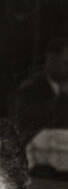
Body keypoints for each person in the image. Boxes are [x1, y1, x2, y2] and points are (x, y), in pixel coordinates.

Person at [9, 36, 68, 175]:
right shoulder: (30, 88)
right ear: (51, 59)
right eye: (66, 63)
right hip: (37, 164)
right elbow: (28, 120)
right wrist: (62, 98)